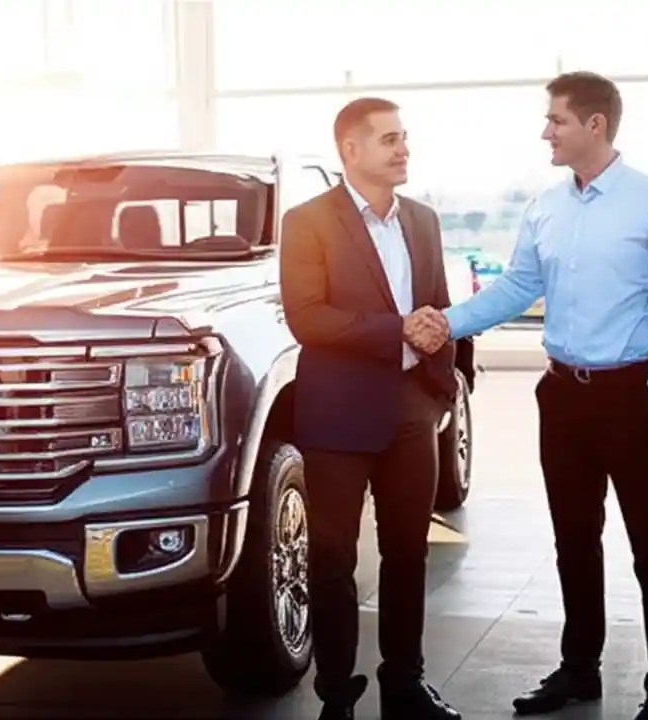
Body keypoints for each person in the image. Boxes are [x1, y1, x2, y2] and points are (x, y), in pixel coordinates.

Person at [416, 71, 648, 719]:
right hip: (561, 397)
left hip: (632, 393)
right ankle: (580, 670)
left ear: (595, 125)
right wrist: (445, 324)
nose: (546, 130)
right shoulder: (545, 205)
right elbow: (517, 288)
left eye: (557, 120)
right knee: (574, 537)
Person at [278, 96, 461, 720]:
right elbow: (308, 318)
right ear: (350, 151)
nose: (403, 148)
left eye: (404, 137)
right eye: (388, 139)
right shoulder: (308, 221)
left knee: (410, 554)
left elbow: (437, 309)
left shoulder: (425, 220)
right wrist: (398, 332)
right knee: (333, 560)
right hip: (339, 417)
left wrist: (440, 388)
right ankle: (337, 695)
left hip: (413, 412)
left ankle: (405, 684)